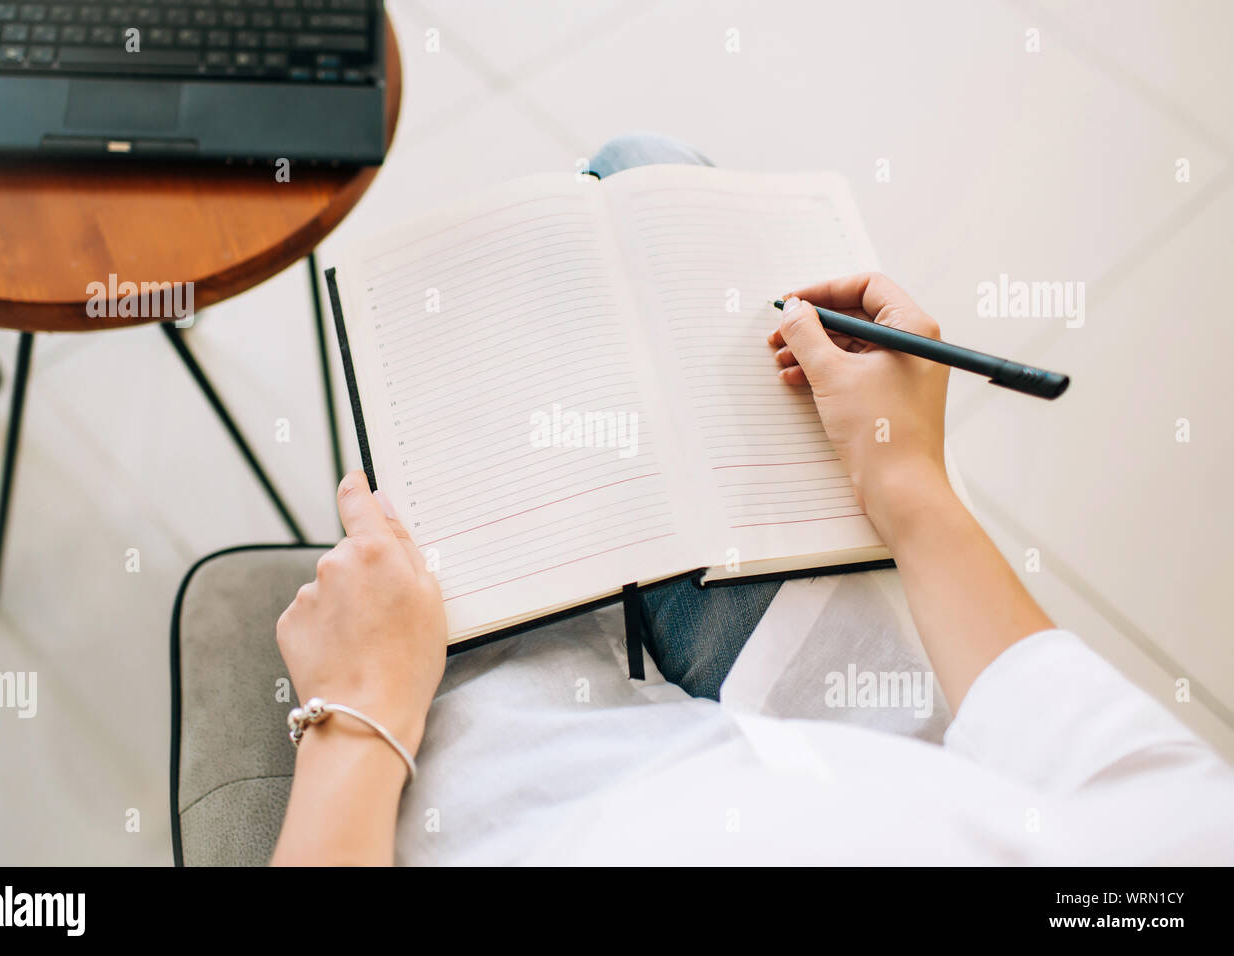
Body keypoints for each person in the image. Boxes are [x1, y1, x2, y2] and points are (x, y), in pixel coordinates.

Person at [268, 135, 1234, 866]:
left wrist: (356, 715)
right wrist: (905, 480)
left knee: (428, 524)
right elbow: (1068, 733)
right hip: (866, 758)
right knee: (642, 169)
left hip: (551, 809)